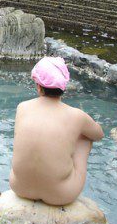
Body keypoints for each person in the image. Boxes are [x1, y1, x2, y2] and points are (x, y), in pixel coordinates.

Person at [8, 56, 103, 206]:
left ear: (38, 86)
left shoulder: (22, 107)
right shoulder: (76, 115)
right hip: (61, 195)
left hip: (19, 187)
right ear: (64, 87)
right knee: (85, 137)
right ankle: (61, 177)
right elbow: (98, 135)